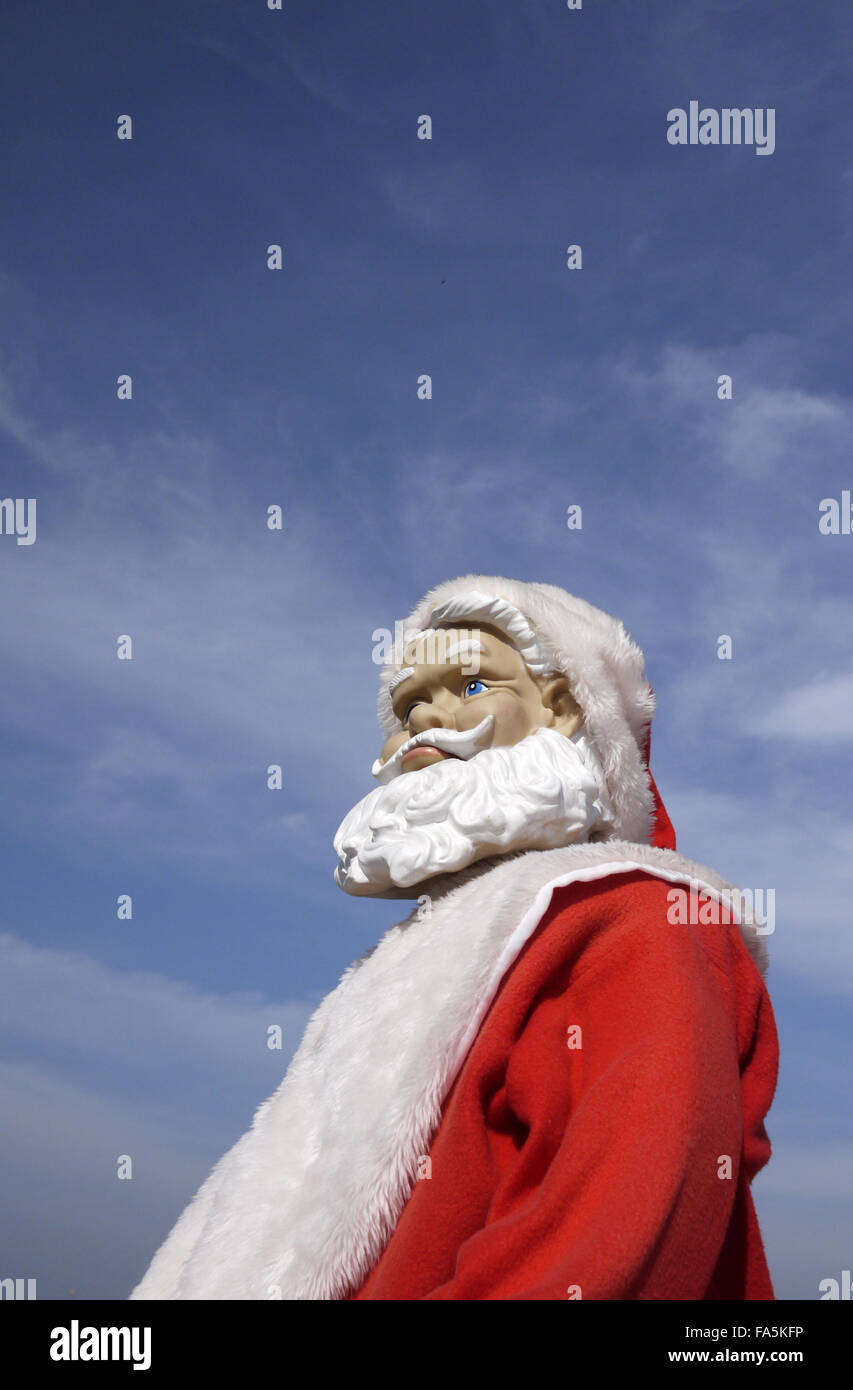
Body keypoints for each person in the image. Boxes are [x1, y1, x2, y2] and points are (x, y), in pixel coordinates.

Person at [130, 575, 778, 1300]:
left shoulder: (638, 918)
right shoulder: (404, 957)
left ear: (563, 709)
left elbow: (619, 1232)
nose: (424, 719)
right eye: (408, 705)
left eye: (469, 686)